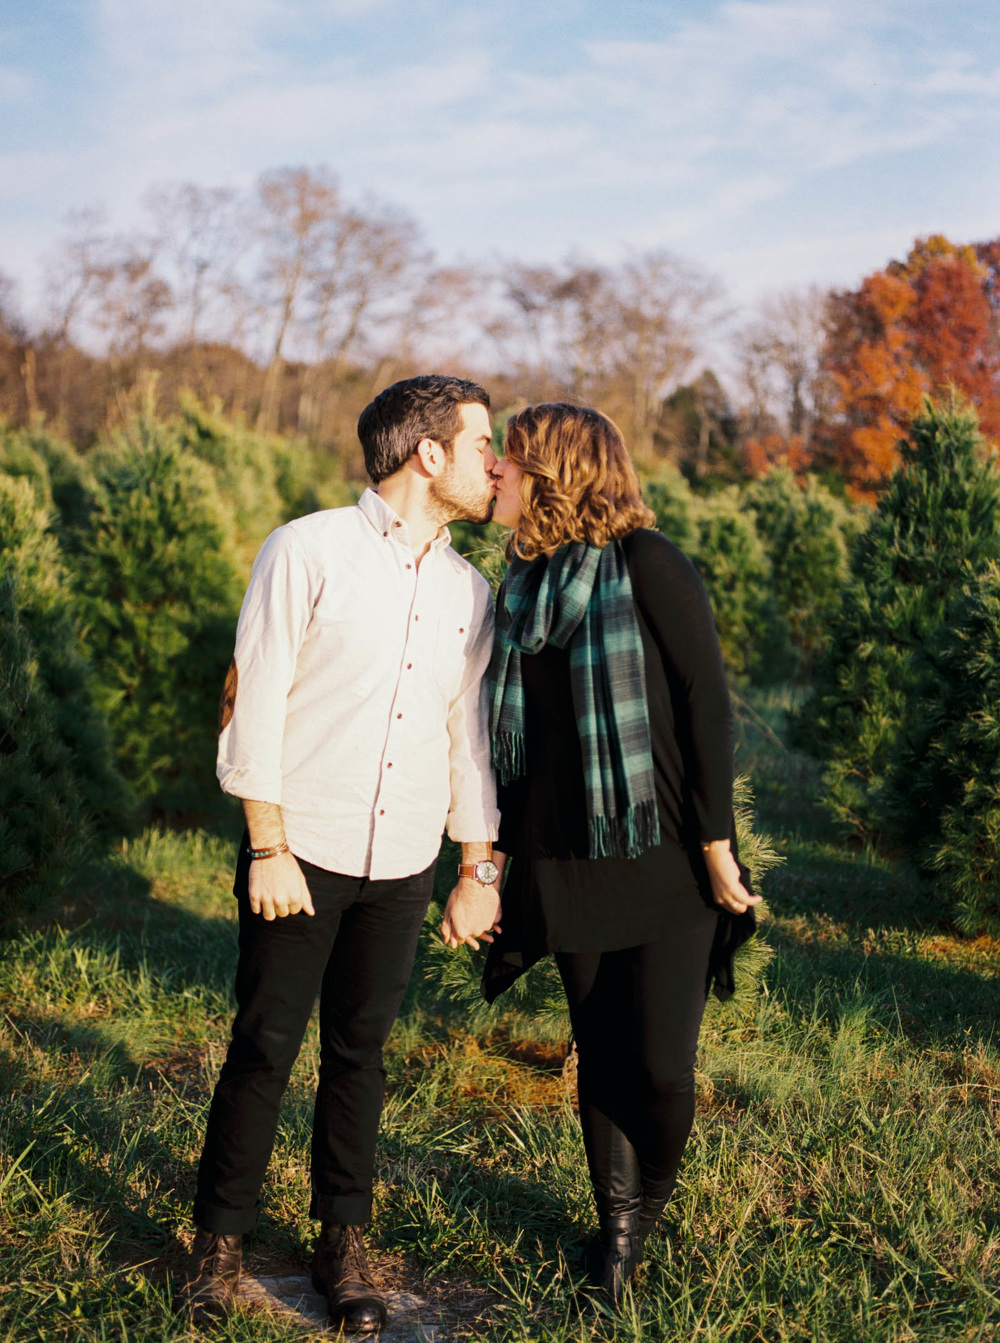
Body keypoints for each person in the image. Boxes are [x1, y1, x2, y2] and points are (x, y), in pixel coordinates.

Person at [178, 375, 505, 1334]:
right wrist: (266, 845)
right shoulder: (306, 548)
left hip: (403, 860)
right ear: (427, 453)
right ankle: (220, 1245)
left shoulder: (468, 590)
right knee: (265, 1046)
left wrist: (475, 865)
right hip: (303, 848)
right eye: (481, 444)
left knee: (361, 1055)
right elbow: (256, 699)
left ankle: (341, 1244)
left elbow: (466, 736)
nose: (497, 463)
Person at [467, 402, 761, 1306]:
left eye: (509, 461)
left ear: (552, 472)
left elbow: (707, 705)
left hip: (662, 849)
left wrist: (715, 847)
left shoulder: (648, 562)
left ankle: (651, 1197)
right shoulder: (516, 582)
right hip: (564, 855)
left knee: (664, 1066)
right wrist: (495, 860)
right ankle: (619, 1233)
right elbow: (499, 736)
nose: (496, 476)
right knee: (597, 1053)